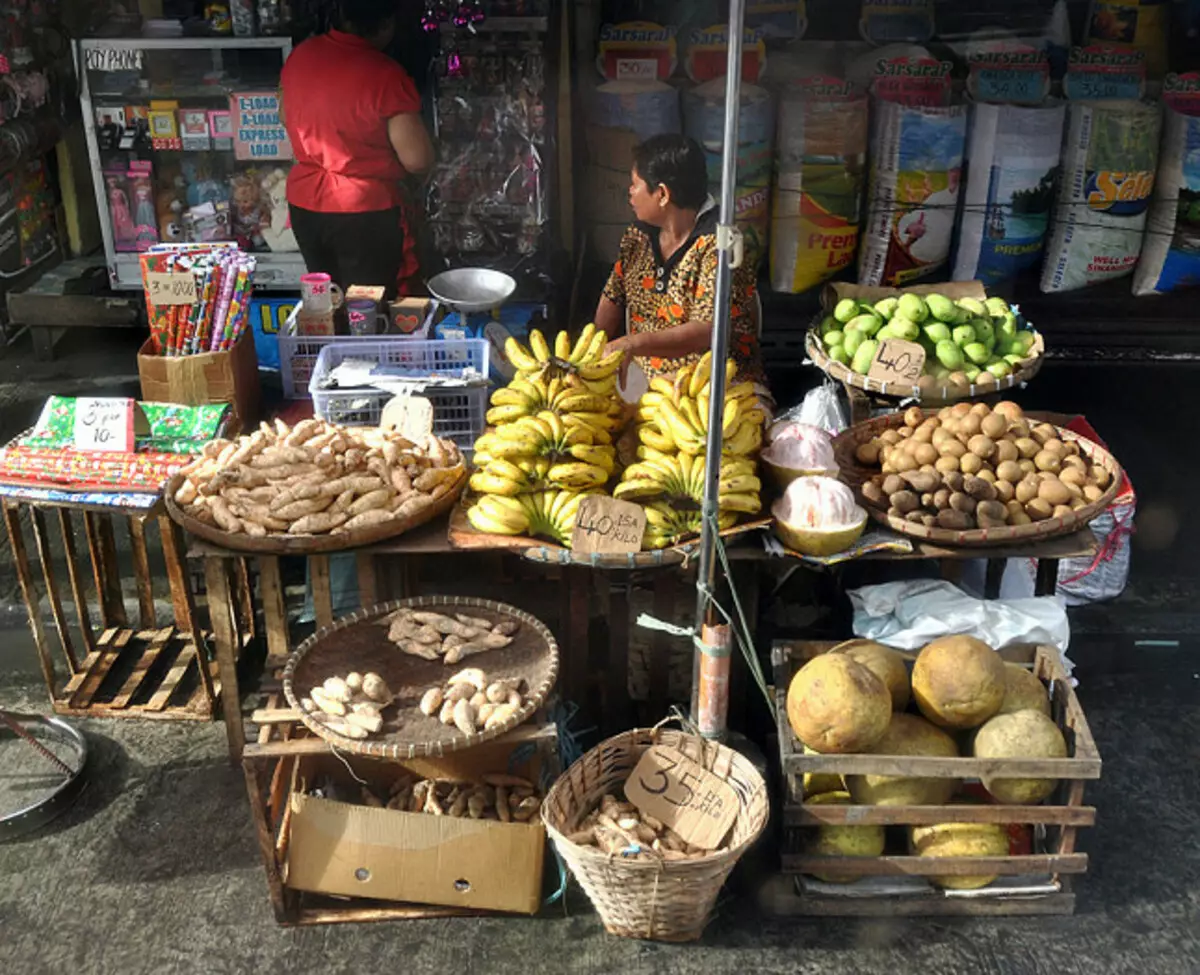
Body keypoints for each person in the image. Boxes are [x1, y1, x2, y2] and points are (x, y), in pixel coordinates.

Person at [279, 0, 435, 297]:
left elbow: (285, 116)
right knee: (370, 308)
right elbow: (416, 159)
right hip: (364, 211)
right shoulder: (386, 74)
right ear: (388, 25)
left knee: (326, 303)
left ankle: (330, 345)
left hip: (305, 205)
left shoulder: (302, 55)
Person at [594, 134, 766, 388]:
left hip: (718, 386)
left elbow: (708, 329)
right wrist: (592, 354)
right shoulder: (638, 236)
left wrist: (632, 343)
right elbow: (613, 296)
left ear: (662, 194)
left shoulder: (720, 245)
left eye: (635, 184)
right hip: (647, 385)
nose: (629, 192)